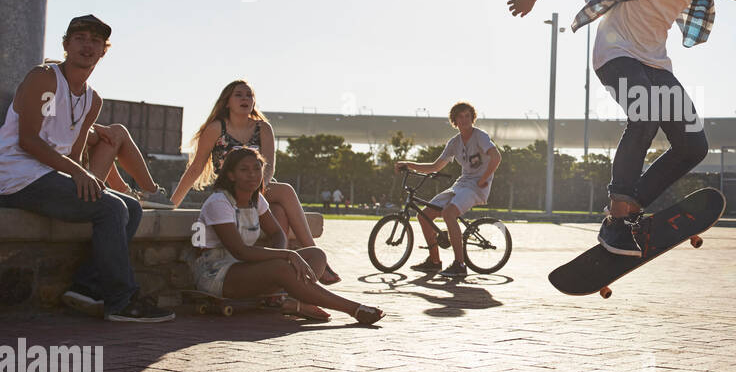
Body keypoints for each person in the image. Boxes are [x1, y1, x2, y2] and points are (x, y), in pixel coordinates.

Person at [508, 0, 736, 256]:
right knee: (645, 116)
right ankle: (617, 216)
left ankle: (629, 211)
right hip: (616, 51)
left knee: (693, 144)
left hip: (656, 60)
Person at [0, 15, 173, 321]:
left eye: (95, 40)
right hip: (16, 177)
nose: (87, 45)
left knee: (129, 207)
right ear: (66, 45)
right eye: (80, 38)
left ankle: (86, 288)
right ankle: (122, 301)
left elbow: (76, 153)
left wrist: (85, 174)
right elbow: (28, 140)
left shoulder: (92, 100)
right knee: (111, 210)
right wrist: (79, 173)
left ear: (104, 50)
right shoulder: (45, 78)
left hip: (47, 177)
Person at [171, 80, 342, 284]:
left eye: (249, 95)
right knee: (286, 191)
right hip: (231, 189)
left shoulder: (263, 128)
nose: (245, 98)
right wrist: (172, 204)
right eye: (238, 95)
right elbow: (196, 167)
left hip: (261, 185)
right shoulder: (216, 128)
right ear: (227, 102)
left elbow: (268, 167)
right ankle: (310, 257)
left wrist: (259, 188)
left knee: (278, 211)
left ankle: (285, 278)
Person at [192, 148, 384, 325]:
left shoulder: (256, 199)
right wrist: (286, 255)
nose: (252, 174)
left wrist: (282, 252)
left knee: (316, 255)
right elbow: (240, 251)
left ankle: (294, 303)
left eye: (257, 168)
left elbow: (277, 233)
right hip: (217, 274)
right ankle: (353, 309)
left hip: (248, 269)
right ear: (231, 175)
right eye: (244, 169)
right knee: (282, 266)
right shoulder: (219, 202)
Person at [394, 101, 500, 277]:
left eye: (468, 116)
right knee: (424, 215)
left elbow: (496, 157)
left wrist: (483, 179)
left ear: (472, 118)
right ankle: (434, 262)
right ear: (455, 121)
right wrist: (409, 164)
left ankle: (460, 264)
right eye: (460, 116)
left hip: (477, 187)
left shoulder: (480, 136)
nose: (464, 120)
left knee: (449, 213)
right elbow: (435, 166)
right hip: (462, 184)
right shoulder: (454, 143)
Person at [83, 122, 173, 208]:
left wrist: (94, 129)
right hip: (79, 189)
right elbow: (77, 133)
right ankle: (152, 192)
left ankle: (122, 191)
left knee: (108, 136)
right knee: (118, 132)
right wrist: (96, 130)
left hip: (76, 183)